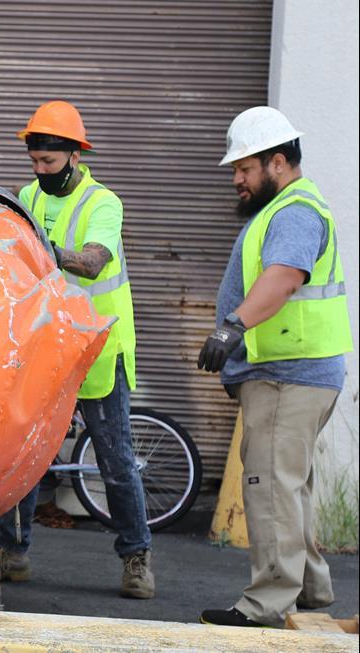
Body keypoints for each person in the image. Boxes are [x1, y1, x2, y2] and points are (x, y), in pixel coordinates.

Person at [0, 100, 154, 600]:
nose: (39, 170)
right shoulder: (27, 196)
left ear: (75, 154)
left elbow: (95, 262)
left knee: (115, 460)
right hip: (46, 348)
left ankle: (137, 557)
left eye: (48, 162)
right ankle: (11, 552)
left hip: (99, 349)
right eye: (33, 161)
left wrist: (44, 247)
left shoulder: (104, 204)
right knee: (22, 456)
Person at [197, 107, 351, 628]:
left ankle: (265, 603)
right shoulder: (286, 207)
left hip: (291, 374)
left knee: (268, 485)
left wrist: (230, 327)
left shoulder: (294, 212)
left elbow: (284, 277)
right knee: (290, 486)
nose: (236, 179)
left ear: (277, 163)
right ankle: (310, 587)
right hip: (290, 371)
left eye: (244, 168)